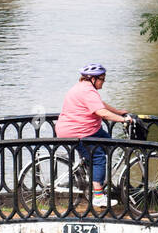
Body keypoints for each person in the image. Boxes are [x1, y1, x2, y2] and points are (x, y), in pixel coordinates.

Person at [54, 63, 130, 209]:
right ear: (93, 79)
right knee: (99, 158)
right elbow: (101, 112)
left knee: (109, 143)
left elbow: (100, 104)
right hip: (79, 131)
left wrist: (119, 112)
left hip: (87, 129)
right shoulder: (87, 91)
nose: (103, 82)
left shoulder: (84, 88)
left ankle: (93, 175)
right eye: (102, 79)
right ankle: (98, 197)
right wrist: (123, 119)